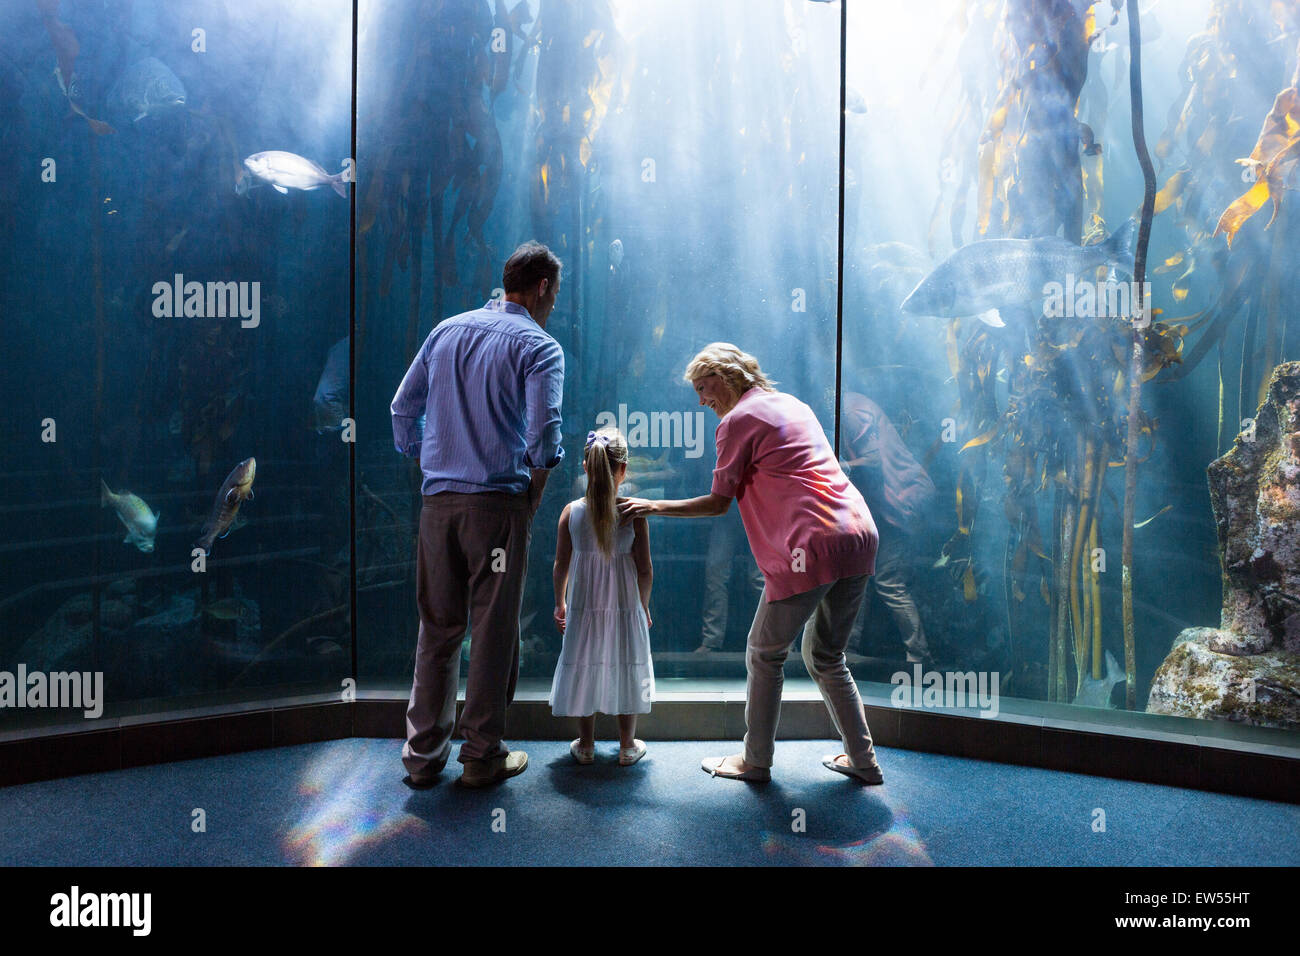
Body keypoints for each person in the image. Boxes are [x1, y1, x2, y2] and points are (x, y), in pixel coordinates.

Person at [619, 343, 885, 784]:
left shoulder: (737, 421)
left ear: (726, 378)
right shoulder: (791, 404)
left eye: (704, 388)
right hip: (857, 534)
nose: (701, 400)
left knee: (764, 653)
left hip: (811, 543)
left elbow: (718, 503)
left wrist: (652, 506)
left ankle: (755, 761)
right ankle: (864, 760)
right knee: (826, 654)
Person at [390, 241, 564, 790]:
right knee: (492, 630)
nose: (554, 303)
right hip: (497, 508)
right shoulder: (540, 348)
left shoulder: (446, 331)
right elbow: (542, 437)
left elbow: (402, 410)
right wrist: (533, 490)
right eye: (554, 293)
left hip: (438, 506)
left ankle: (421, 759)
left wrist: (434, 463)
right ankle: (482, 757)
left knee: (437, 630)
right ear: (541, 288)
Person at [550, 426, 656, 765]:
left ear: (586, 466)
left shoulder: (571, 512)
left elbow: (560, 565)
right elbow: (645, 569)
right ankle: (627, 745)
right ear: (623, 470)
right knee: (625, 663)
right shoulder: (632, 514)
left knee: (585, 662)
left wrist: (560, 603)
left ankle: (586, 743)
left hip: (584, 606)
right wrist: (643, 605)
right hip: (625, 604)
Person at [840, 392, 935, 664]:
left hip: (901, 504)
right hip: (887, 508)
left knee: (888, 581)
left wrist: (842, 466)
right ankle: (850, 649)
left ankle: (920, 658)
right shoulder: (854, 407)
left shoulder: (851, 412)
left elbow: (873, 461)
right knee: (859, 575)